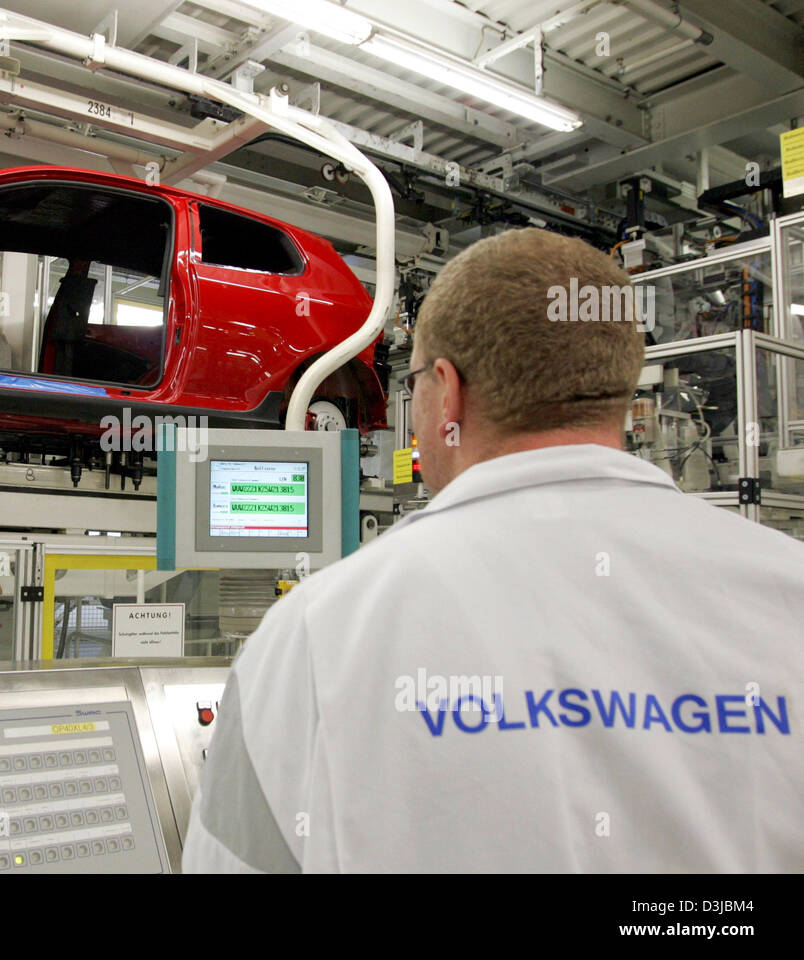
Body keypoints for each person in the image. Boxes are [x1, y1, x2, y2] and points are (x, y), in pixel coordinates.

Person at [180, 227, 804, 873]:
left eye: (415, 380)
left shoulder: (314, 638)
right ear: (619, 387)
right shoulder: (789, 590)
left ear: (447, 391)